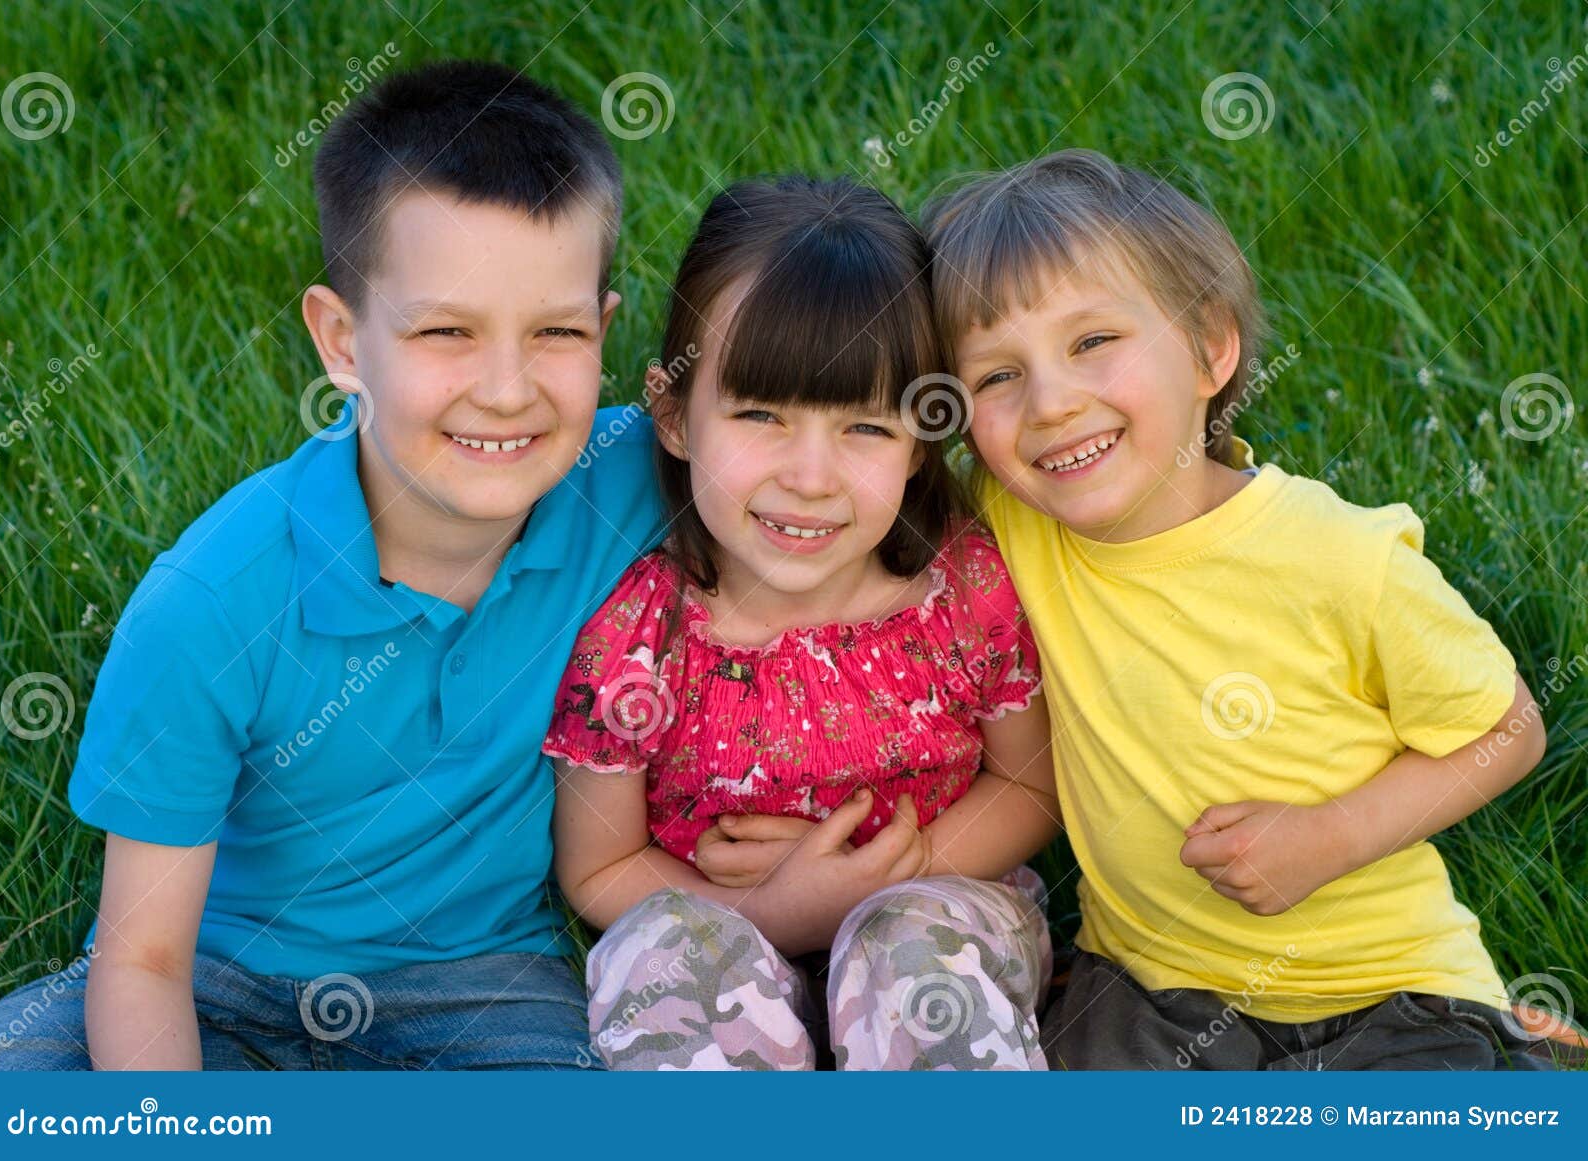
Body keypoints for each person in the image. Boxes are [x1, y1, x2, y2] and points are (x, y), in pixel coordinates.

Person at [0, 60, 661, 1070]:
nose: (510, 390)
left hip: (479, 990)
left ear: (604, 332)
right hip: (213, 977)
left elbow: (809, 439)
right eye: (447, 331)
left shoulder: (632, 481)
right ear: (341, 340)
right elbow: (143, 960)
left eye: (555, 333)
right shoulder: (212, 602)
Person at [923, 148, 1562, 1069]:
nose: (1052, 404)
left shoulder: (1341, 556)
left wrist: (1330, 836)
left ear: (1211, 349)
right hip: (1151, 989)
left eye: (1093, 342)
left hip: (1387, 991)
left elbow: (1511, 729)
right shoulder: (1009, 522)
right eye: (995, 377)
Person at [545, 176, 1061, 1070]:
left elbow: (1033, 785)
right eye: (759, 415)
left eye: (865, 427)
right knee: (663, 955)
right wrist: (778, 911)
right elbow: (599, 866)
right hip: (722, 914)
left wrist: (885, 878)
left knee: (909, 951)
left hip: (940, 898)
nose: (811, 476)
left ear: (921, 437)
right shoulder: (639, 637)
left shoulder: (961, 588)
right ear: (673, 413)